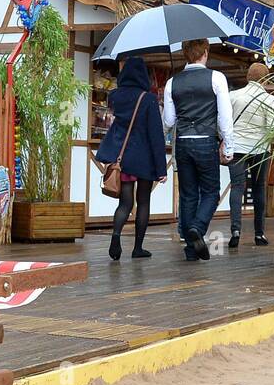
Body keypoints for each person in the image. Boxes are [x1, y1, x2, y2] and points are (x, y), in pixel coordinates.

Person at [162, 38, 235, 261]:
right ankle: (197, 227)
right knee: (211, 192)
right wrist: (229, 146)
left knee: (188, 193)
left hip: (183, 142)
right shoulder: (217, 78)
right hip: (205, 140)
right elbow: (224, 117)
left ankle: (190, 248)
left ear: (185, 54)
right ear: (205, 52)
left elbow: (169, 120)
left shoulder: (172, 82)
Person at [94, 56, 166, 259]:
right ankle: (137, 248)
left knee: (125, 203)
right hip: (144, 159)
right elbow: (155, 135)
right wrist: (161, 168)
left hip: (123, 159)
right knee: (143, 202)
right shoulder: (148, 98)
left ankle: (116, 237)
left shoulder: (115, 96)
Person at [227, 62, 274, 247]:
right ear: (264, 79)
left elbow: (224, 122)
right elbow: (272, 128)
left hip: (237, 148)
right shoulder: (269, 99)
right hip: (259, 149)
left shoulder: (233, 96)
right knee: (259, 189)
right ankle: (259, 234)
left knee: (237, 187)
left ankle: (235, 230)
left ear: (248, 77)